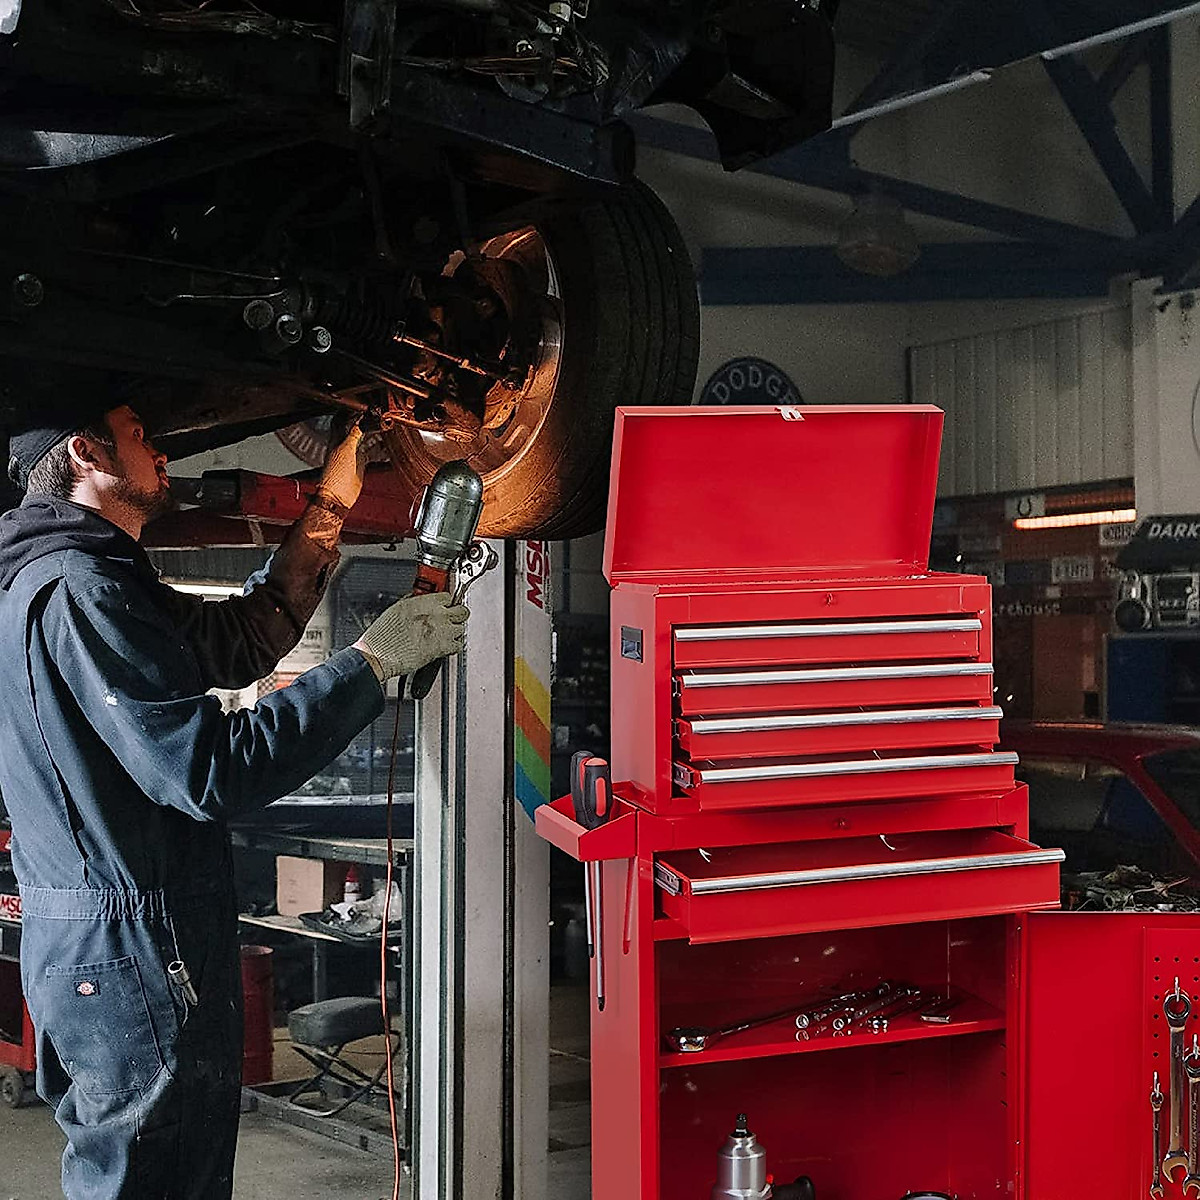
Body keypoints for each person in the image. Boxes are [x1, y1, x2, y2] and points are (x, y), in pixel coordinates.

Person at [0, 398, 469, 1199]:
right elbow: (208, 771)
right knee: (153, 1180)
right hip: (131, 950)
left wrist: (330, 503)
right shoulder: (78, 589)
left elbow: (241, 638)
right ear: (85, 454)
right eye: (141, 438)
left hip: (114, 940)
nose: (162, 453)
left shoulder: (85, 577)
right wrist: (367, 666)